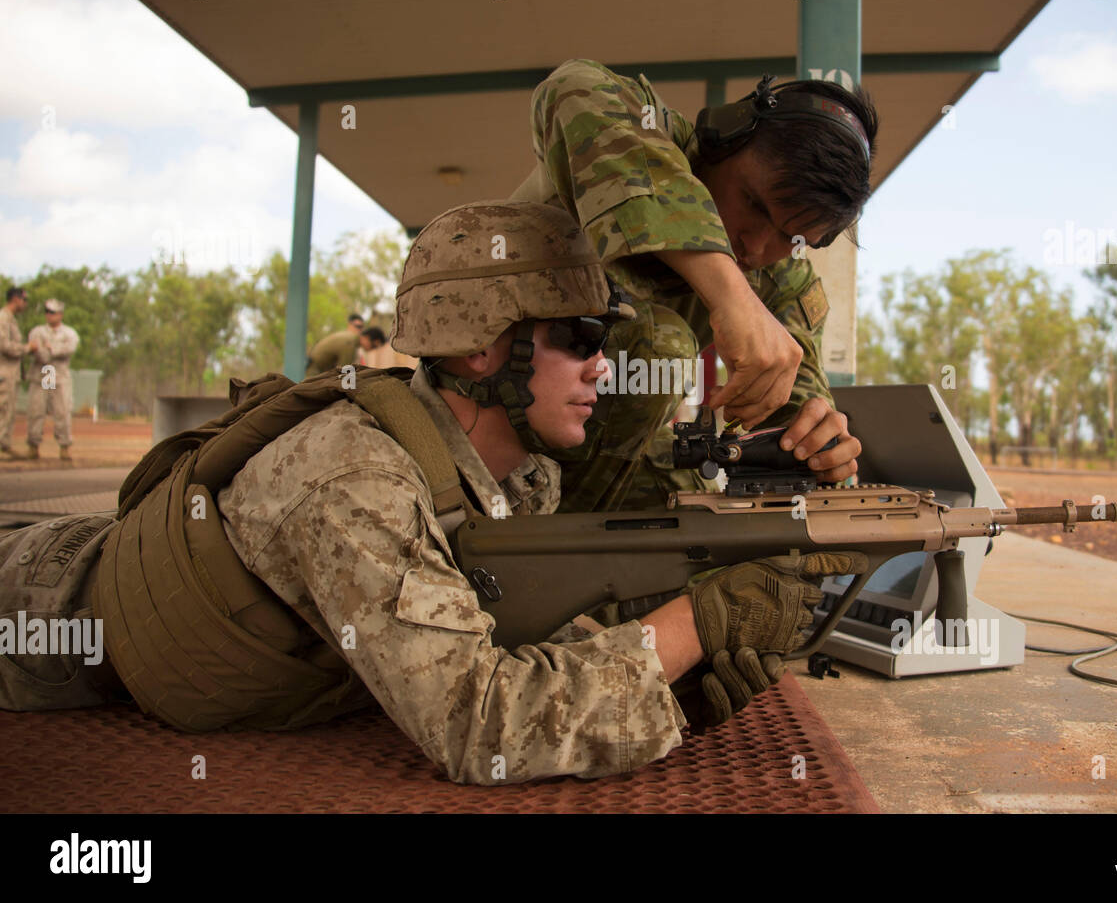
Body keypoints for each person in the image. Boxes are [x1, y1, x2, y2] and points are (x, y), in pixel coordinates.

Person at [0, 201, 844, 785]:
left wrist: (677, 678)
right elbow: (481, 728)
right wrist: (696, 625)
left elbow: (512, 637)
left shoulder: (517, 477)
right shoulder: (355, 481)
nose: (602, 364)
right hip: (41, 612)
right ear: (481, 350)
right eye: (578, 337)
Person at [511, 59, 877, 510]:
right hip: (494, 416)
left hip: (587, 462)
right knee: (661, 342)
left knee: (711, 516)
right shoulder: (653, 139)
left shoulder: (782, 280)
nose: (757, 248)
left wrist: (819, 440)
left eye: (790, 236)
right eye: (754, 205)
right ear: (725, 141)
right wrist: (730, 294)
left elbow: (794, 403)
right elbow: (571, 86)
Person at [25, 298, 79, 461]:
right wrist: (49, 350)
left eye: (52, 312)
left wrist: (52, 348)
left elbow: (70, 349)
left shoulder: (69, 333)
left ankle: (65, 446)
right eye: (47, 312)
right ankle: (33, 446)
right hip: (41, 373)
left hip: (60, 376)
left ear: (60, 314)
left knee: (62, 411)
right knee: (36, 410)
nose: (49, 315)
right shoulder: (37, 331)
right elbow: (37, 351)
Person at [0, 287, 35, 458]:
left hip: (10, 373)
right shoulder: (3, 318)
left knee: (8, 410)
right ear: (15, 299)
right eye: (24, 299)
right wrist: (28, 348)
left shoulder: (11, 319)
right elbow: (4, 346)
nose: (25, 303)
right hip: (3, 372)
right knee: (3, 409)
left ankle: (4, 446)